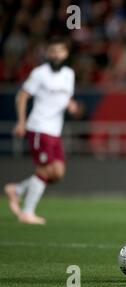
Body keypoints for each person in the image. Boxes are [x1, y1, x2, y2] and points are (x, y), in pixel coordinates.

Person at [4, 37, 77, 225]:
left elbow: (63, 96)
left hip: (55, 130)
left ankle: (17, 190)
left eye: (59, 51)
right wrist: (21, 122)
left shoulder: (69, 74)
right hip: (39, 127)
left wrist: (70, 104)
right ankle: (27, 212)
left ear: (66, 54)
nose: (56, 55)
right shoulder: (39, 73)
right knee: (45, 169)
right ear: (47, 54)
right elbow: (22, 96)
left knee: (58, 173)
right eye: (52, 51)